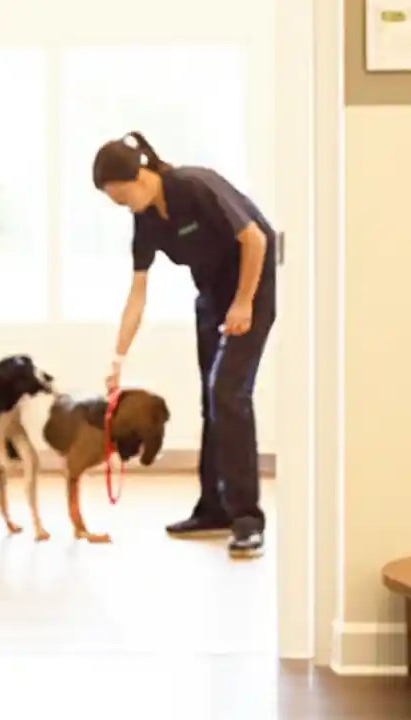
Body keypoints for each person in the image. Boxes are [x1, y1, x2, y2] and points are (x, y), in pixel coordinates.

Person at [93, 132, 275, 560]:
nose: (123, 207)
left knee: (229, 393)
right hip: (211, 299)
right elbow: (137, 293)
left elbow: (256, 240)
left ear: (140, 176)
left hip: (251, 289)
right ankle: (214, 508)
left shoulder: (195, 185)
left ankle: (247, 520)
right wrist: (117, 358)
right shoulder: (146, 220)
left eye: (121, 198)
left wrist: (244, 303)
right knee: (212, 399)